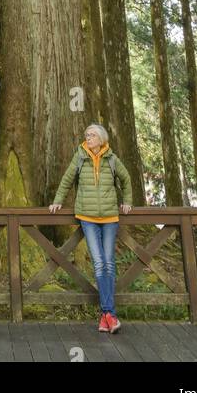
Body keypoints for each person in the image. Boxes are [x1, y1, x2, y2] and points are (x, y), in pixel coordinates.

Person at [49, 122, 133, 333]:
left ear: (102, 139)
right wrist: (58, 200)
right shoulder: (80, 157)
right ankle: (110, 314)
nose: (88, 138)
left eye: (92, 135)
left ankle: (107, 316)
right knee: (99, 263)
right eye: (87, 135)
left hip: (110, 217)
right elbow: (67, 179)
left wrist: (127, 200)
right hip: (87, 216)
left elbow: (126, 179)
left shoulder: (112, 159)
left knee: (109, 263)